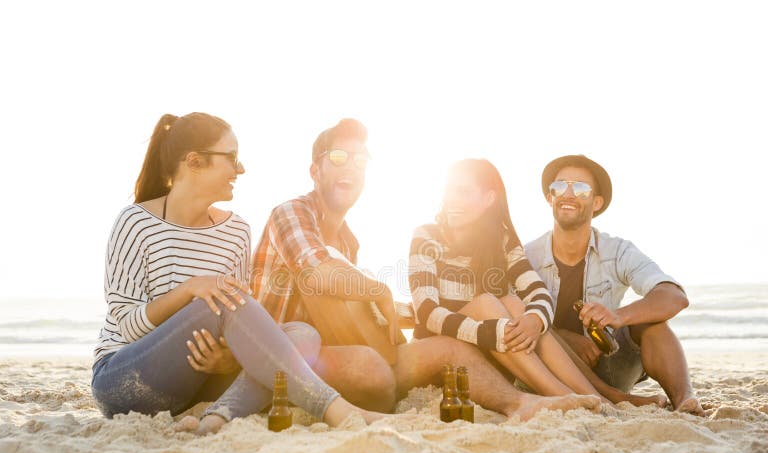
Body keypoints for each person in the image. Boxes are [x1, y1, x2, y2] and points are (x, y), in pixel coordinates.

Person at [252, 121, 601, 419]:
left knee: (462, 342)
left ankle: (524, 404)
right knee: (372, 368)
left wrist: (390, 309)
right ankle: (562, 393)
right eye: (339, 157)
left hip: (331, 349)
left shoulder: (348, 241)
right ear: (316, 171)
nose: (351, 167)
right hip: (283, 352)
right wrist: (379, 291)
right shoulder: (292, 213)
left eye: (360, 160)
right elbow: (317, 273)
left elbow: (342, 310)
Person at [91, 112, 385, 436]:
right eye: (231, 157)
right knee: (221, 298)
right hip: (125, 380)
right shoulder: (135, 223)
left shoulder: (236, 231)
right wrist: (192, 288)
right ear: (194, 161)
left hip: (196, 386)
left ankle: (219, 417)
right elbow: (129, 326)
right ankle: (335, 408)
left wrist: (228, 359)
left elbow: (235, 321)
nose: (240, 168)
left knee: (303, 334)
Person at [409, 158, 613, 402]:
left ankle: (596, 397)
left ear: (488, 199)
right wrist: (493, 332)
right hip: (443, 354)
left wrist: (534, 320)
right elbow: (427, 312)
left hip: (494, 356)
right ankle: (562, 396)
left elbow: (538, 293)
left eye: (462, 192)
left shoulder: (502, 240)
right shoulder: (426, 235)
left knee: (517, 305)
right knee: (487, 302)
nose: (451, 200)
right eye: (449, 191)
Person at [525, 154, 703, 415]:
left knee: (650, 322)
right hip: (546, 372)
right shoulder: (526, 256)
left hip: (607, 367)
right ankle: (614, 398)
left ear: (596, 203)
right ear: (550, 197)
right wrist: (565, 338)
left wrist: (618, 316)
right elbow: (510, 316)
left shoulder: (617, 251)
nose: (569, 194)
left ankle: (685, 401)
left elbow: (674, 296)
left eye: (581, 188)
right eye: (560, 186)